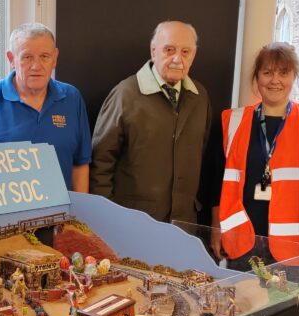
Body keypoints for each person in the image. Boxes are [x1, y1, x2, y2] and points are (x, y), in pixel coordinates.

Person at [211, 42, 299, 268]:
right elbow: (216, 182)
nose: (275, 80)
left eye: (284, 73)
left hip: (294, 248)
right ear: (257, 77)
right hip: (241, 242)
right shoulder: (231, 121)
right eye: (267, 72)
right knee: (245, 302)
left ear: (294, 76)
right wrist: (216, 228)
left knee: (286, 305)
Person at [90, 21, 212, 225]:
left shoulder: (200, 98)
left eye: (185, 52)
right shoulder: (125, 95)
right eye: (169, 50)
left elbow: (202, 152)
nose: (177, 59)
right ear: (153, 51)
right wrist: (107, 219)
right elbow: (101, 164)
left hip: (184, 224)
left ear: (194, 55)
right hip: (133, 223)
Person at [0, 23, 91, 191]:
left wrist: (81, 212)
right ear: (11, 59)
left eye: (44, 56)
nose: (36, 66)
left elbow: (80, 164)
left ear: (54, 58)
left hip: (58, 215)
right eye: (27, 57)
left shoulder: (71, 98)